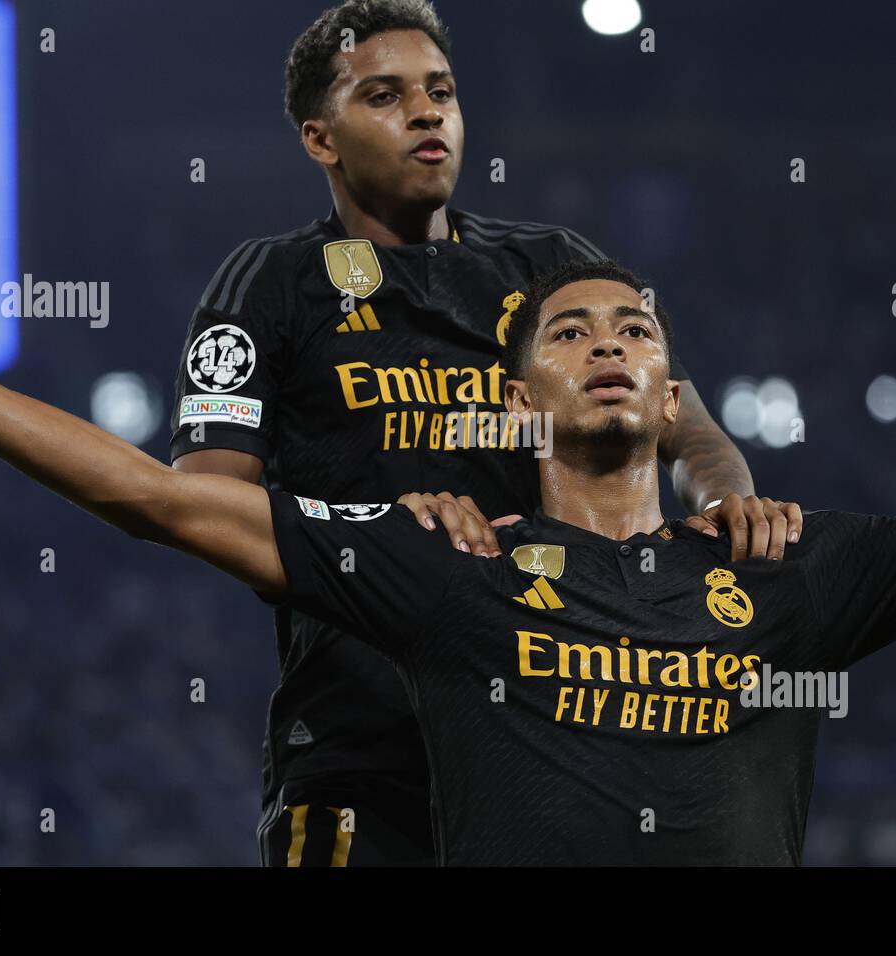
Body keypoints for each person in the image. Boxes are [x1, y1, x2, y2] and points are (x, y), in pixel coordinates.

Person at [0, 242, 896, 864]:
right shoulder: (448, 565)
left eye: (632, 329)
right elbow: (160, 499)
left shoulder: (787, 567)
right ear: (520, 404)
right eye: (571, 331)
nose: (606, 343)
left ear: (670, 386)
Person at [170, 0, 801, 865]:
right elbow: (207, 501)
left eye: (442, 91)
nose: (427, 112)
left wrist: (730, 502)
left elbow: (685, 430)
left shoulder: (548, 268)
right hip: (366, 761)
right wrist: (385, 538)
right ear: (322, 139)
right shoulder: (270, 282)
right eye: (385, 96)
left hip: (553, 741)